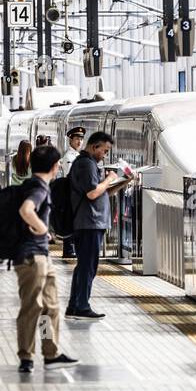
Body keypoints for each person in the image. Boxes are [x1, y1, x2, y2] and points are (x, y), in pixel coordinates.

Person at [11, 144, 80, 373]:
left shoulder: (35, 185)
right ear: (53, 166)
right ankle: (26, 357)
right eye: (58, 163)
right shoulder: (38, 188)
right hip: (31, 257)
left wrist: (44, 233)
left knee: (50, 306)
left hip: (42, 255)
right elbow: (26, 210)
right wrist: (42, 228)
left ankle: (50, 354)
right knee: (32, 307)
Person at [67, 130, 119, 320]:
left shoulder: (88, 164)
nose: (105, 155)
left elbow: (101, 192)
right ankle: (81, 306)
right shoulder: (86, 165)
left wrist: (121, 183)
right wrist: (109, 179)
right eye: (104, 151)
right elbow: (92, 193)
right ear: (95, 146)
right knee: (88, 266)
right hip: (88, 223)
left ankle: (75, 305)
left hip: (91, 222)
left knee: (84, 266)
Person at [59, 126, 85, 258]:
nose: (79, 142)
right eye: (76, 139)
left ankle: (70, 249)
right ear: (70, 140)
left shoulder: (76, 156)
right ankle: (69, 250)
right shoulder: (70, 157)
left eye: (81, 139)